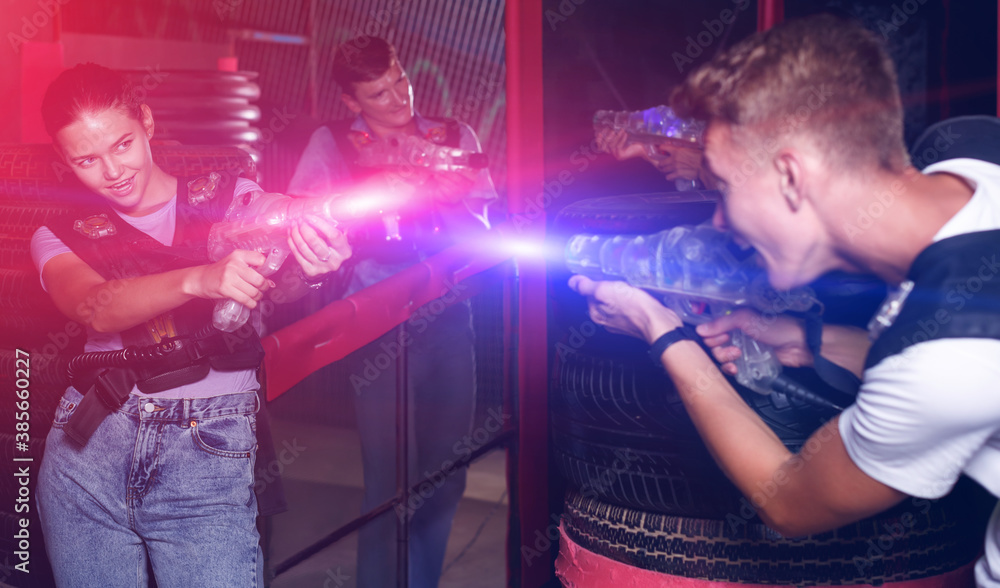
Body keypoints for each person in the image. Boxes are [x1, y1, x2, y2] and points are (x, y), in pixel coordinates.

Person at [570, 14, 1000, 587]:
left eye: (722, 186)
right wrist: (811, 341)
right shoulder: (973, 146)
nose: (718, 219)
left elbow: (790, 502)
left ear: (792, 177)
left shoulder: (945, 358)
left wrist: (660, 330)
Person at [32, 63, 351, 587]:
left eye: (122, 144)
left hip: (207, 447)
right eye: (86, 159)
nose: (113, 170)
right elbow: (94, 307)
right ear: (65, 161)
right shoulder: (58, 233)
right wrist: (200, 279)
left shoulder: (225, 196)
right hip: (88, 453)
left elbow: (273, 219)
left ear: (148, 124)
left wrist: (310, 244)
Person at [287, 36, 497, 587]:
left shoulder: (453, 138)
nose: (398, 98)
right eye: (378, 93)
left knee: (446, 471)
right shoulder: (332, 143)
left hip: (451, 317)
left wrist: (445, 197)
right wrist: (377, 195)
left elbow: (487, 236)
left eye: (400, 81)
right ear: (352, 101)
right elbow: (302, 224)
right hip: (376, 324)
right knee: (387, 479)